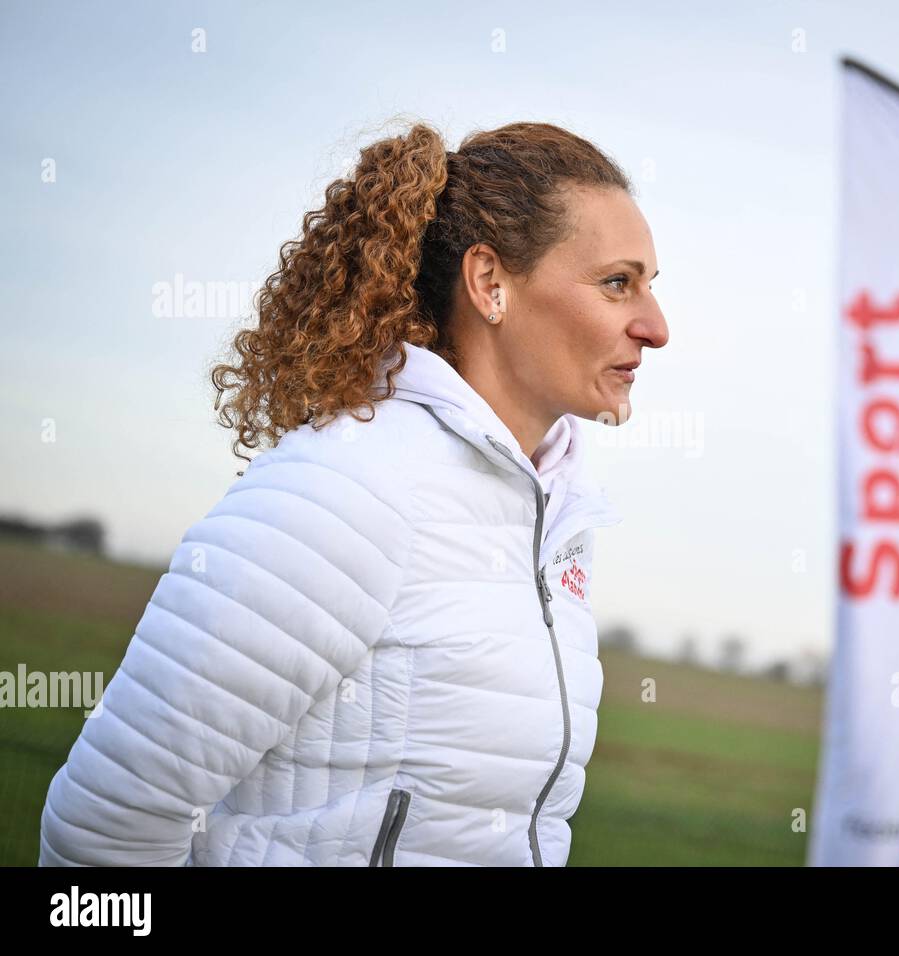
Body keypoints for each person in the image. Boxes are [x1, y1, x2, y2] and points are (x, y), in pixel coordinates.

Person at [37, 120, 669, 866]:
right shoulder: (344, 493)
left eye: (650, 287)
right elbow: (106, 830)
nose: (655, 327)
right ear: (490, 283)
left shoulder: (556, 517)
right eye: (616, 283)